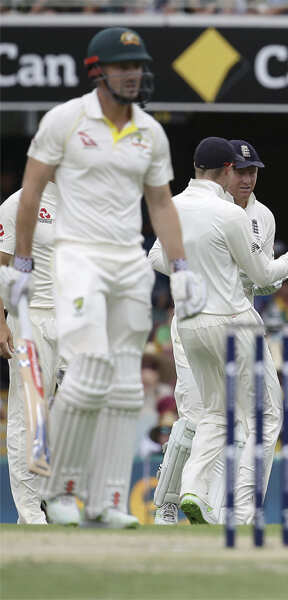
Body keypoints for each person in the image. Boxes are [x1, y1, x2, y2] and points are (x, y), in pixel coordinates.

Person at [0, 27, 206, 528]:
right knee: (32, 416)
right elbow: (20, 216)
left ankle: (100, 498)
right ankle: (34, 513)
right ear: (99, 71)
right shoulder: (63, 126)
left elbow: (160, 204)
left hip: (108, 284)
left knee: (116, 392)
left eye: (139, 66)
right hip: (39, 312)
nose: (134, 75)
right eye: (123, 66)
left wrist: (179, 271)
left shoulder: (149, 134)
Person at [148, 136, 288, 524]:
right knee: (211, 414)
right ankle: (177, 506)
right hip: (224, 316)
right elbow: (157, 256)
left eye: (253, 171)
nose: (247, 179)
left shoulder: (262, 216)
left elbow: (267, 282)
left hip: (206, 317)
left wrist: (222, 272)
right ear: (225, 171)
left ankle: (206, 499)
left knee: (219, 416)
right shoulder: (221, 212)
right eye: (240, 171)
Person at [0, 181, 61, 524]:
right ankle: (31, 513)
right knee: (28, 416)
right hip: (29, 318)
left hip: (68, 321)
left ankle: (36, 510)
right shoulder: (19, 203)